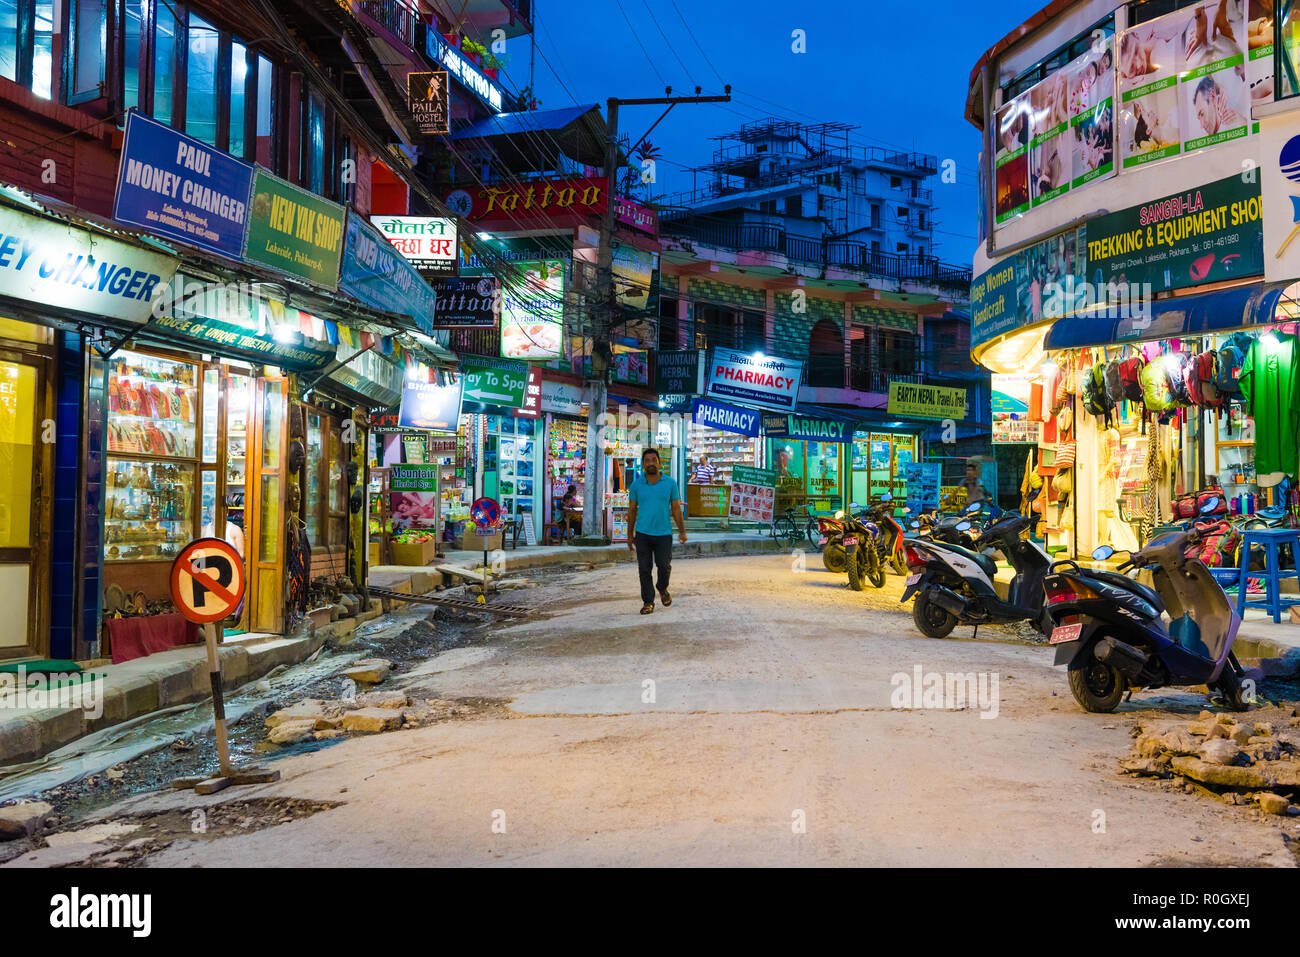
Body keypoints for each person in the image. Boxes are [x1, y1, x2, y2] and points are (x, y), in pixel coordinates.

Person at [626, 448, 687, 615]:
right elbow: (631, 511)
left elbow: (676, 509)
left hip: (664, 534)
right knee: (644, 569)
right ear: (643, 464)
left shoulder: (670, 483)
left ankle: (662, 587)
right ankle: (648, 602)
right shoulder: (636, 485)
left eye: (654, 459)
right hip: (643, 534)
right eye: (647, 460)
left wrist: (682, 531)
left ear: (659, 462)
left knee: (664, 565)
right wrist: (629, 535)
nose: (651, 463)